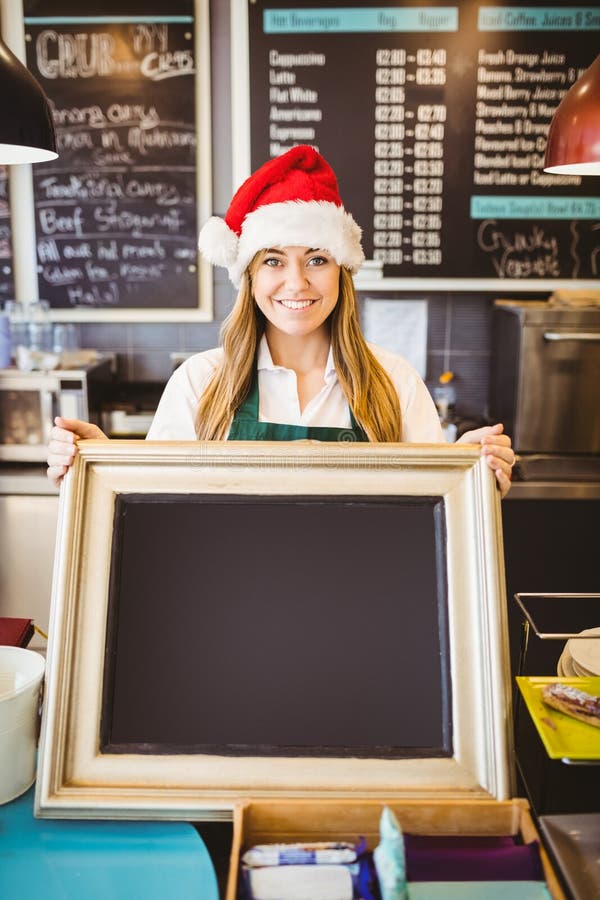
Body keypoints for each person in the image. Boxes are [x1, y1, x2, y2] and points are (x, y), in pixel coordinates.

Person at [47, 145, 515, 492]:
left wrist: (475, 474)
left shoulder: (394, 381)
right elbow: (151, 504)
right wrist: (98, 463)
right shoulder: (199, 381)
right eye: (273, 261)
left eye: (317, 259)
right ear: (249, 276)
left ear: (342, 272)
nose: (296, 283)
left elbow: (437, 507)